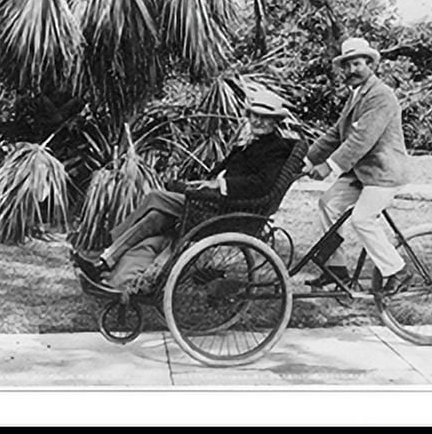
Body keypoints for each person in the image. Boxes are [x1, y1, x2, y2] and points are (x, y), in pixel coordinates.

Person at [73, 90, 294, 288]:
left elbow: (261, 184)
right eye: (255, 115)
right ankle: (105, 263)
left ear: (276, 122)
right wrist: (200, 183)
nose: (258, 121)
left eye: (265, 117)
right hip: (210, 200)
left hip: (225, 208)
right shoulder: (250, 144)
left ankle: (107, 243)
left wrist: (219, 184)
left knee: (155, 197)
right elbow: (219, 172)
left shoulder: (275, 149)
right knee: (156, 217)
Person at [303, 36, 412, 294]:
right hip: (363, 173)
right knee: (328, 203)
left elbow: (361, 139)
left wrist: (329, 166)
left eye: (357, 64)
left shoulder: (381, 96)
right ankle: (336, 269)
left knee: (362, 219)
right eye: (347, 65)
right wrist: (307, 159)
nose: (351, 70)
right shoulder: (356, 96)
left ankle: (398, 271)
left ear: (370, 64)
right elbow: (335, 134)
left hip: (383, 173)